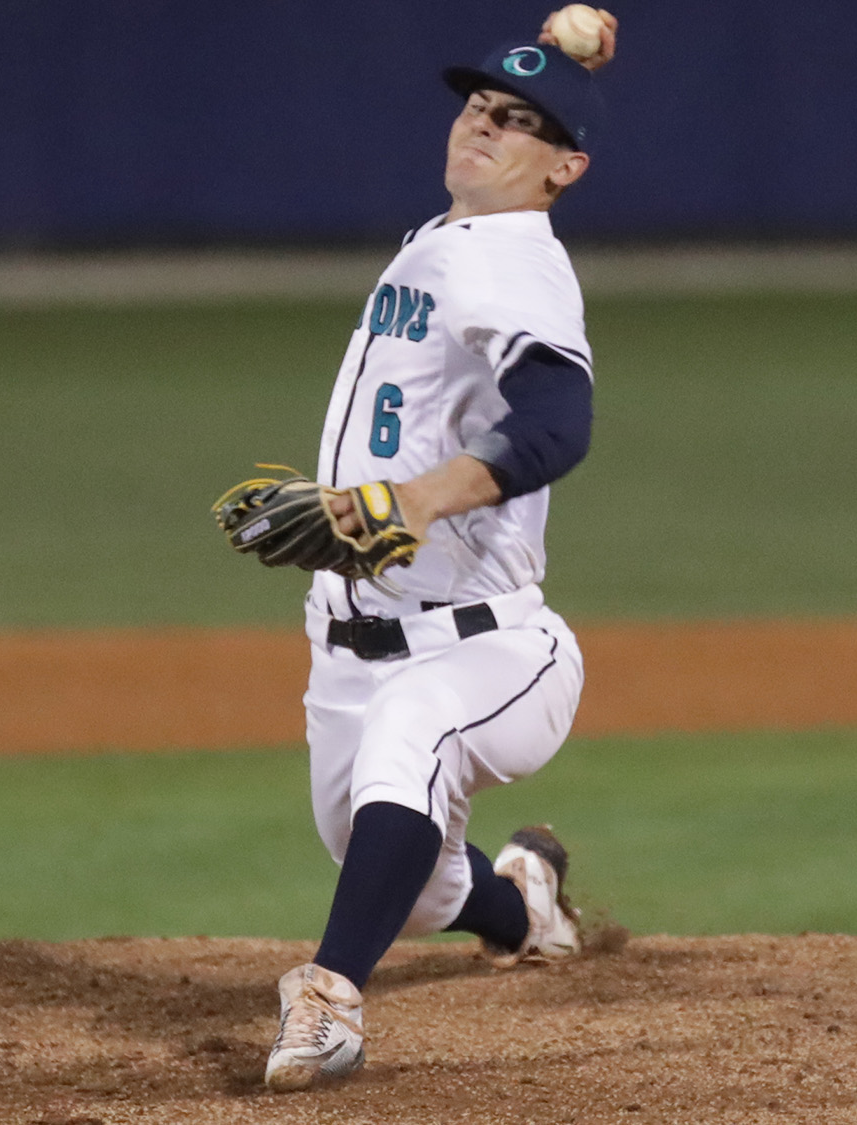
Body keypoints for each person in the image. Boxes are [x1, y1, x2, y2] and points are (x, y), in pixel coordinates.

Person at [259, 14, 620, 1093]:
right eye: (480, 106)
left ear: (563, 168)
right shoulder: (443, 239)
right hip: (354, 643)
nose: (486, 126)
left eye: (521, 124)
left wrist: (422, 497)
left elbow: (560, 423)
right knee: (405, 873)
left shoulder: (515, 261)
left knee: (411, 740)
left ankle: (326, 1001)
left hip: (492, 652)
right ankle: (524, 906)